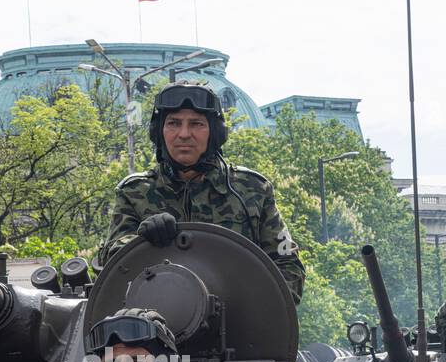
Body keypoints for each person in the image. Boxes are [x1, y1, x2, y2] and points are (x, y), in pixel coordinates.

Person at [100, 82, 304, 305]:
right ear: (159, 132)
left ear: (215, 133)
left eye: (196, 124)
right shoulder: (135, 192)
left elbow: (288, 265)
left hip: (236, 326)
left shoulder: (251, 191)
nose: (184, 134)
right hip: (156, 323)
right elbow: (112, 262)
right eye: (174, 123)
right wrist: (141, 242)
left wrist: (256, 308)